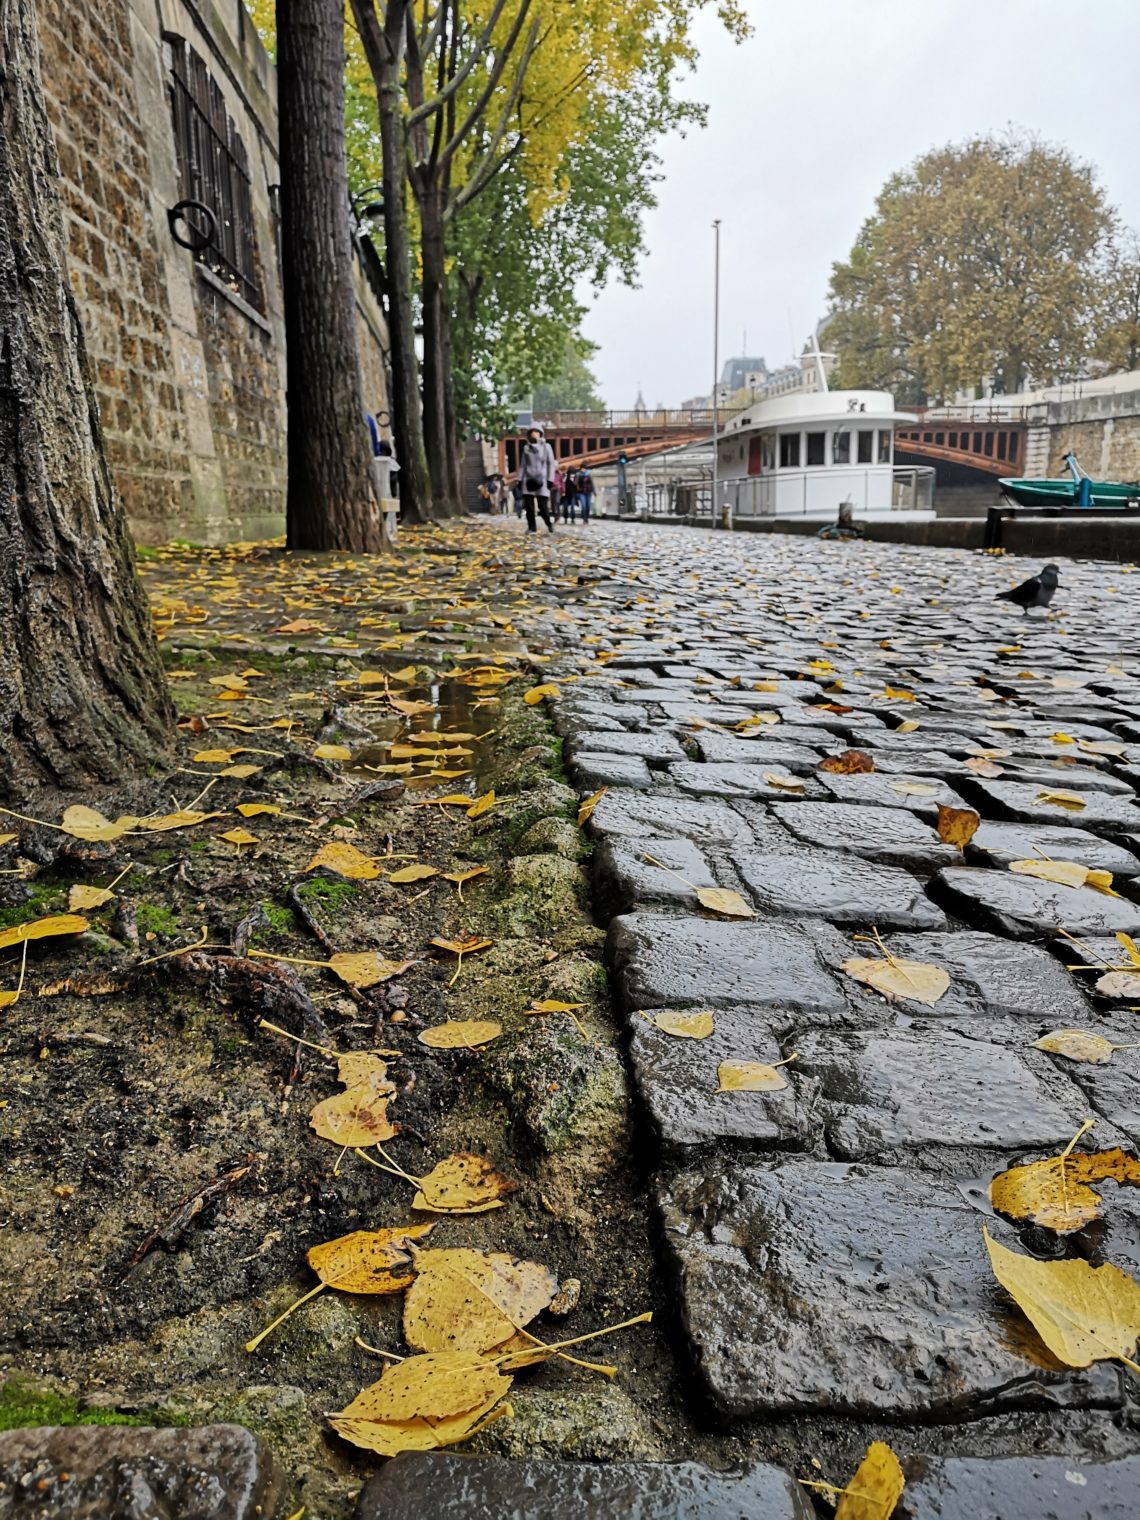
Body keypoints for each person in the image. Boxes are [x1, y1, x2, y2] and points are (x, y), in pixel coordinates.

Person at [517, 425, 556, 533]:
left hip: (542, 479)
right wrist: (519, 479)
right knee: (529, 506)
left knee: (543, 507)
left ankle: (549, 523)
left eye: (536, 431)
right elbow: (523, 465)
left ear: (540, 433)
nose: (534, 433)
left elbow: (551, 464)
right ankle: (531, 527)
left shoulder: (546, 447)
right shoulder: (526, 448)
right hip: (528, 479)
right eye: (532, 432)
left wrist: (550, 479)